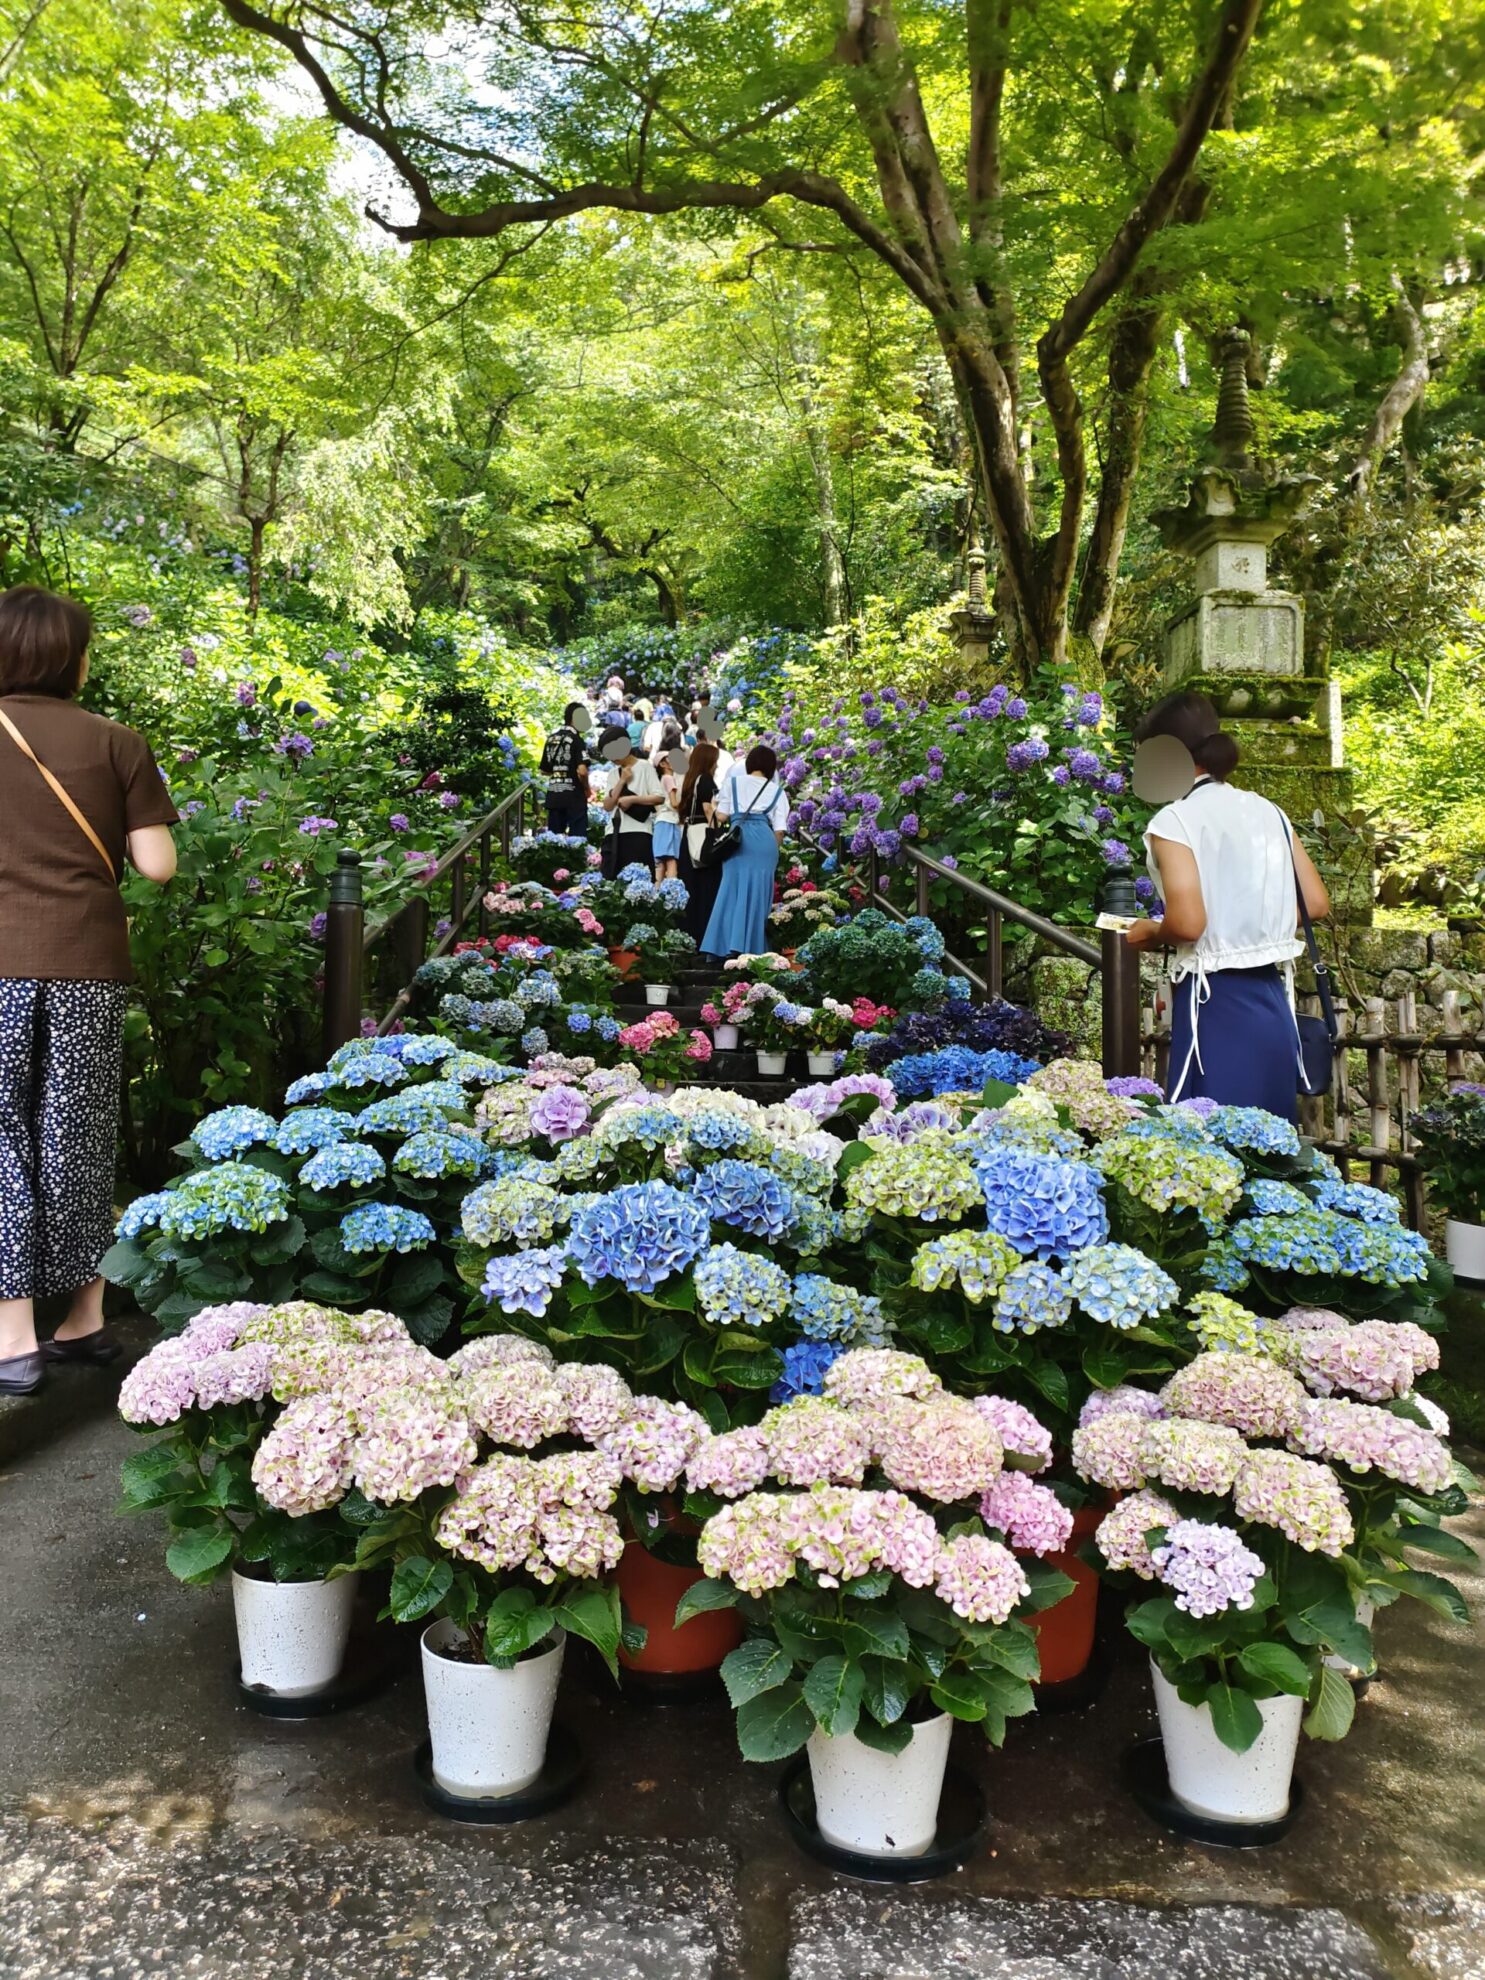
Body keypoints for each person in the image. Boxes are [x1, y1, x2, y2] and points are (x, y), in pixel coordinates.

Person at [0, 585, 178, 1395]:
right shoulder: (117, 741)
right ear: (74, 658)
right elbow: (157, 866)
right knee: (77, 1133)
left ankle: (12, 1341)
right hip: (86, 966)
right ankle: (82, 1322)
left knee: (2, 1139)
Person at [1126, 690, 1329, 1122]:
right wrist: (1252, 921)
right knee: (1268, 1146)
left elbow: (1187, 923)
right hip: (1272, 1000)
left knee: (1209, 1144)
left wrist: (1150, 931)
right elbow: (1314, 902)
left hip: (1214, 1004)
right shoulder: (1268, 811)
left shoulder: (1175, 820)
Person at [701, 743, 790, 960]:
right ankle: (754, 949)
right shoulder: (778, 792)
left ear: (749, 763)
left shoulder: (732, 783)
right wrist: (772, 852)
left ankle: (726, 947)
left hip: (738, 840)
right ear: (771, 768)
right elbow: (779, 831)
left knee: (732, 890)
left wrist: (713, 805)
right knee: (759, 896)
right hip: (765, 844)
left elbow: (720, 817)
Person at [599, 724, 664, 876]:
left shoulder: (644, 767)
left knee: (639, 879)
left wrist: (632, 799)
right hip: (614, 832)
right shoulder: (613, 773)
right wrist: (622, 781)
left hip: (639, 832)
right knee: (611, 879)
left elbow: (659, 797)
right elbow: (608, 806)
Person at [677, 740, 722, 945]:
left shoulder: (691, 779)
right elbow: (708, 810)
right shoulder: (705, 780)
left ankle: (690, 937)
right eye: (715, 761)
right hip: (703, 839)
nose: (717, 765)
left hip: (689, 838)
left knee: (692, 890)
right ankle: (706, 938)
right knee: (707, 889)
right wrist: (719, 833)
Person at [538, 702, 589, 835]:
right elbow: (582, 771)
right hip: (574, 796)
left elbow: (544, 769)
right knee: (578, 839)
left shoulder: (551, 738)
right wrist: (586, 788)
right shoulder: (577, 740)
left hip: (554, 795)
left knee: (555, 841)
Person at [652, 723, 686, 880]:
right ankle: (672, 889)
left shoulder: (661, 780)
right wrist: (685, 807)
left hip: (660, 821)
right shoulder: (669, 779)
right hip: (670, 821)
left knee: (659, 862)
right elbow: (674, 803)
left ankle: (657, 890)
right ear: (663, 764)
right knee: (672, 860)